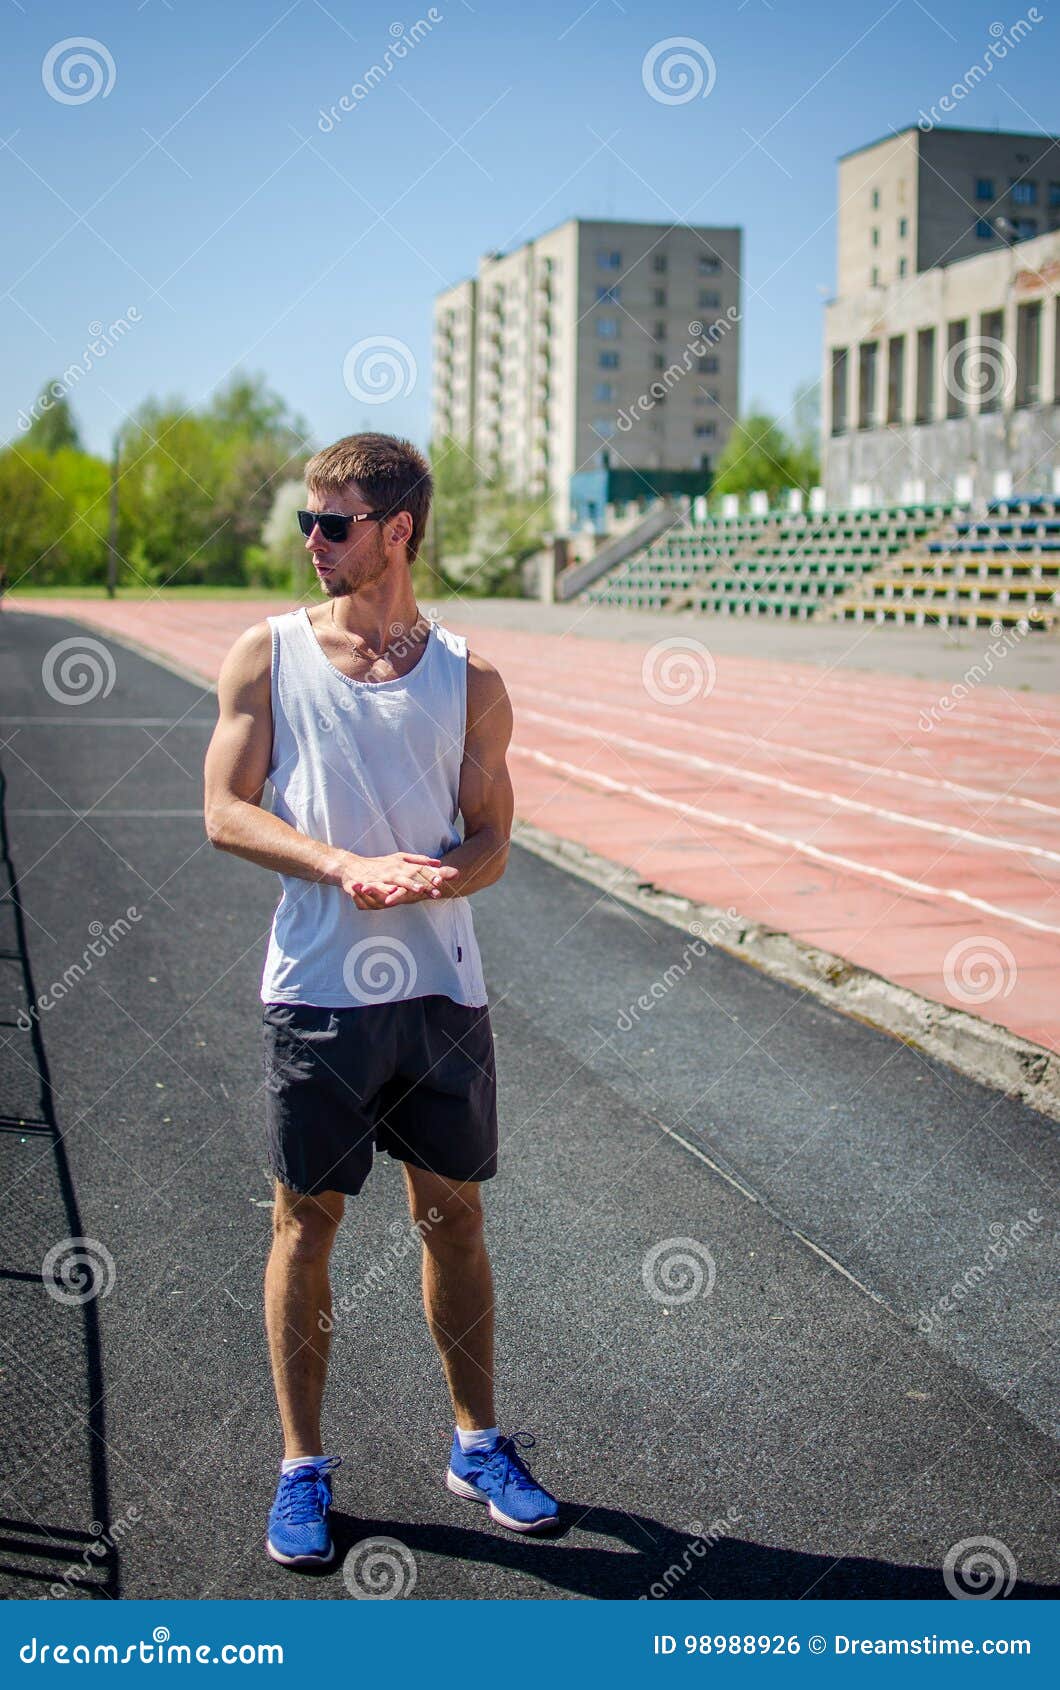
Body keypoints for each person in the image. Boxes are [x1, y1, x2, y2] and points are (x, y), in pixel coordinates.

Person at [204, 432, 559, 1568]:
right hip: (317, 992)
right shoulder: (267, 655)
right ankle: (302, 1467)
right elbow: (224, 810)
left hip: (440, 989)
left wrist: (442, 878)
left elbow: (493, 835)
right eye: (306, 520)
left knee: (454, 1218)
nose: (311, 540)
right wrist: (341, 864)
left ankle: (478, 1444)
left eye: (334, 523)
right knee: (305, 1224)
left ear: (396, 531)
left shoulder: (470, 679)